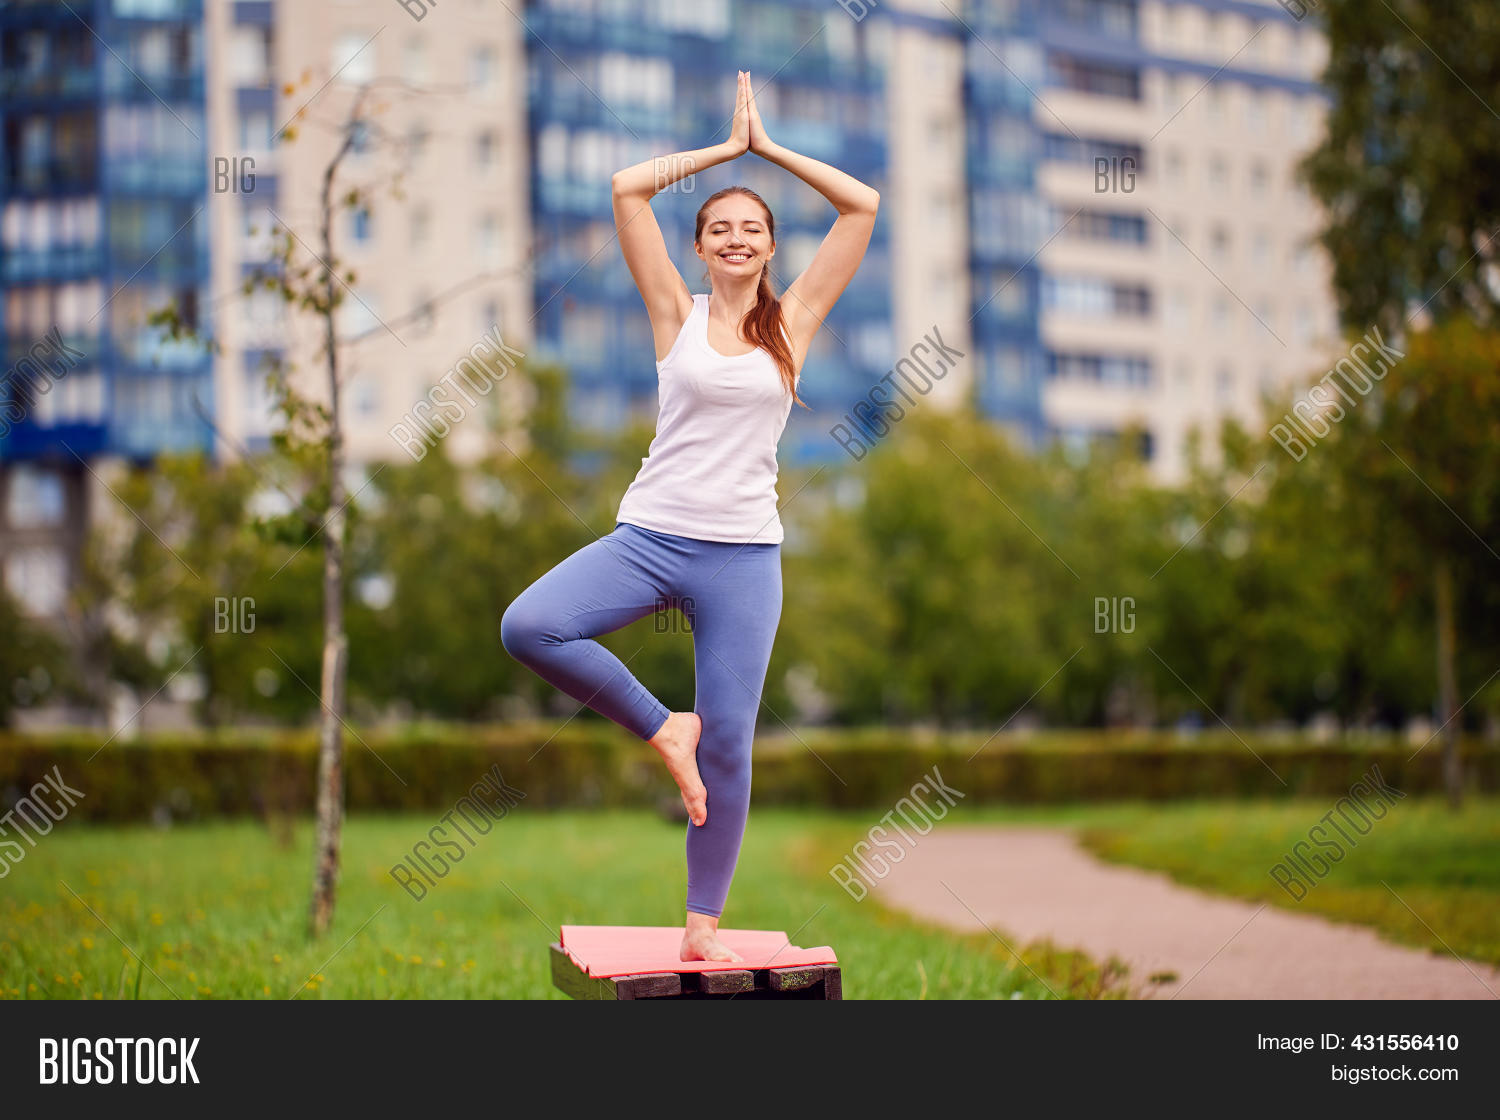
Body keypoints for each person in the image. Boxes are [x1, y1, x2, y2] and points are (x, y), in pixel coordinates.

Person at [501, 71, 878, 962]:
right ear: (701, 248)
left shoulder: (797, 320)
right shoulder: (676, 311)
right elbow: (629, 189)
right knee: (530, 625)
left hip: (744, 557)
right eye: (721, 229)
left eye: (753, 228)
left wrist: (771, 150)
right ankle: (663, 725)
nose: (737, 238)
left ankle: (702, 926)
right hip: (651, 536)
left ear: (771, 248)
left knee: (734, 743)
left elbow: (861, 208)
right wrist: (722, 148)